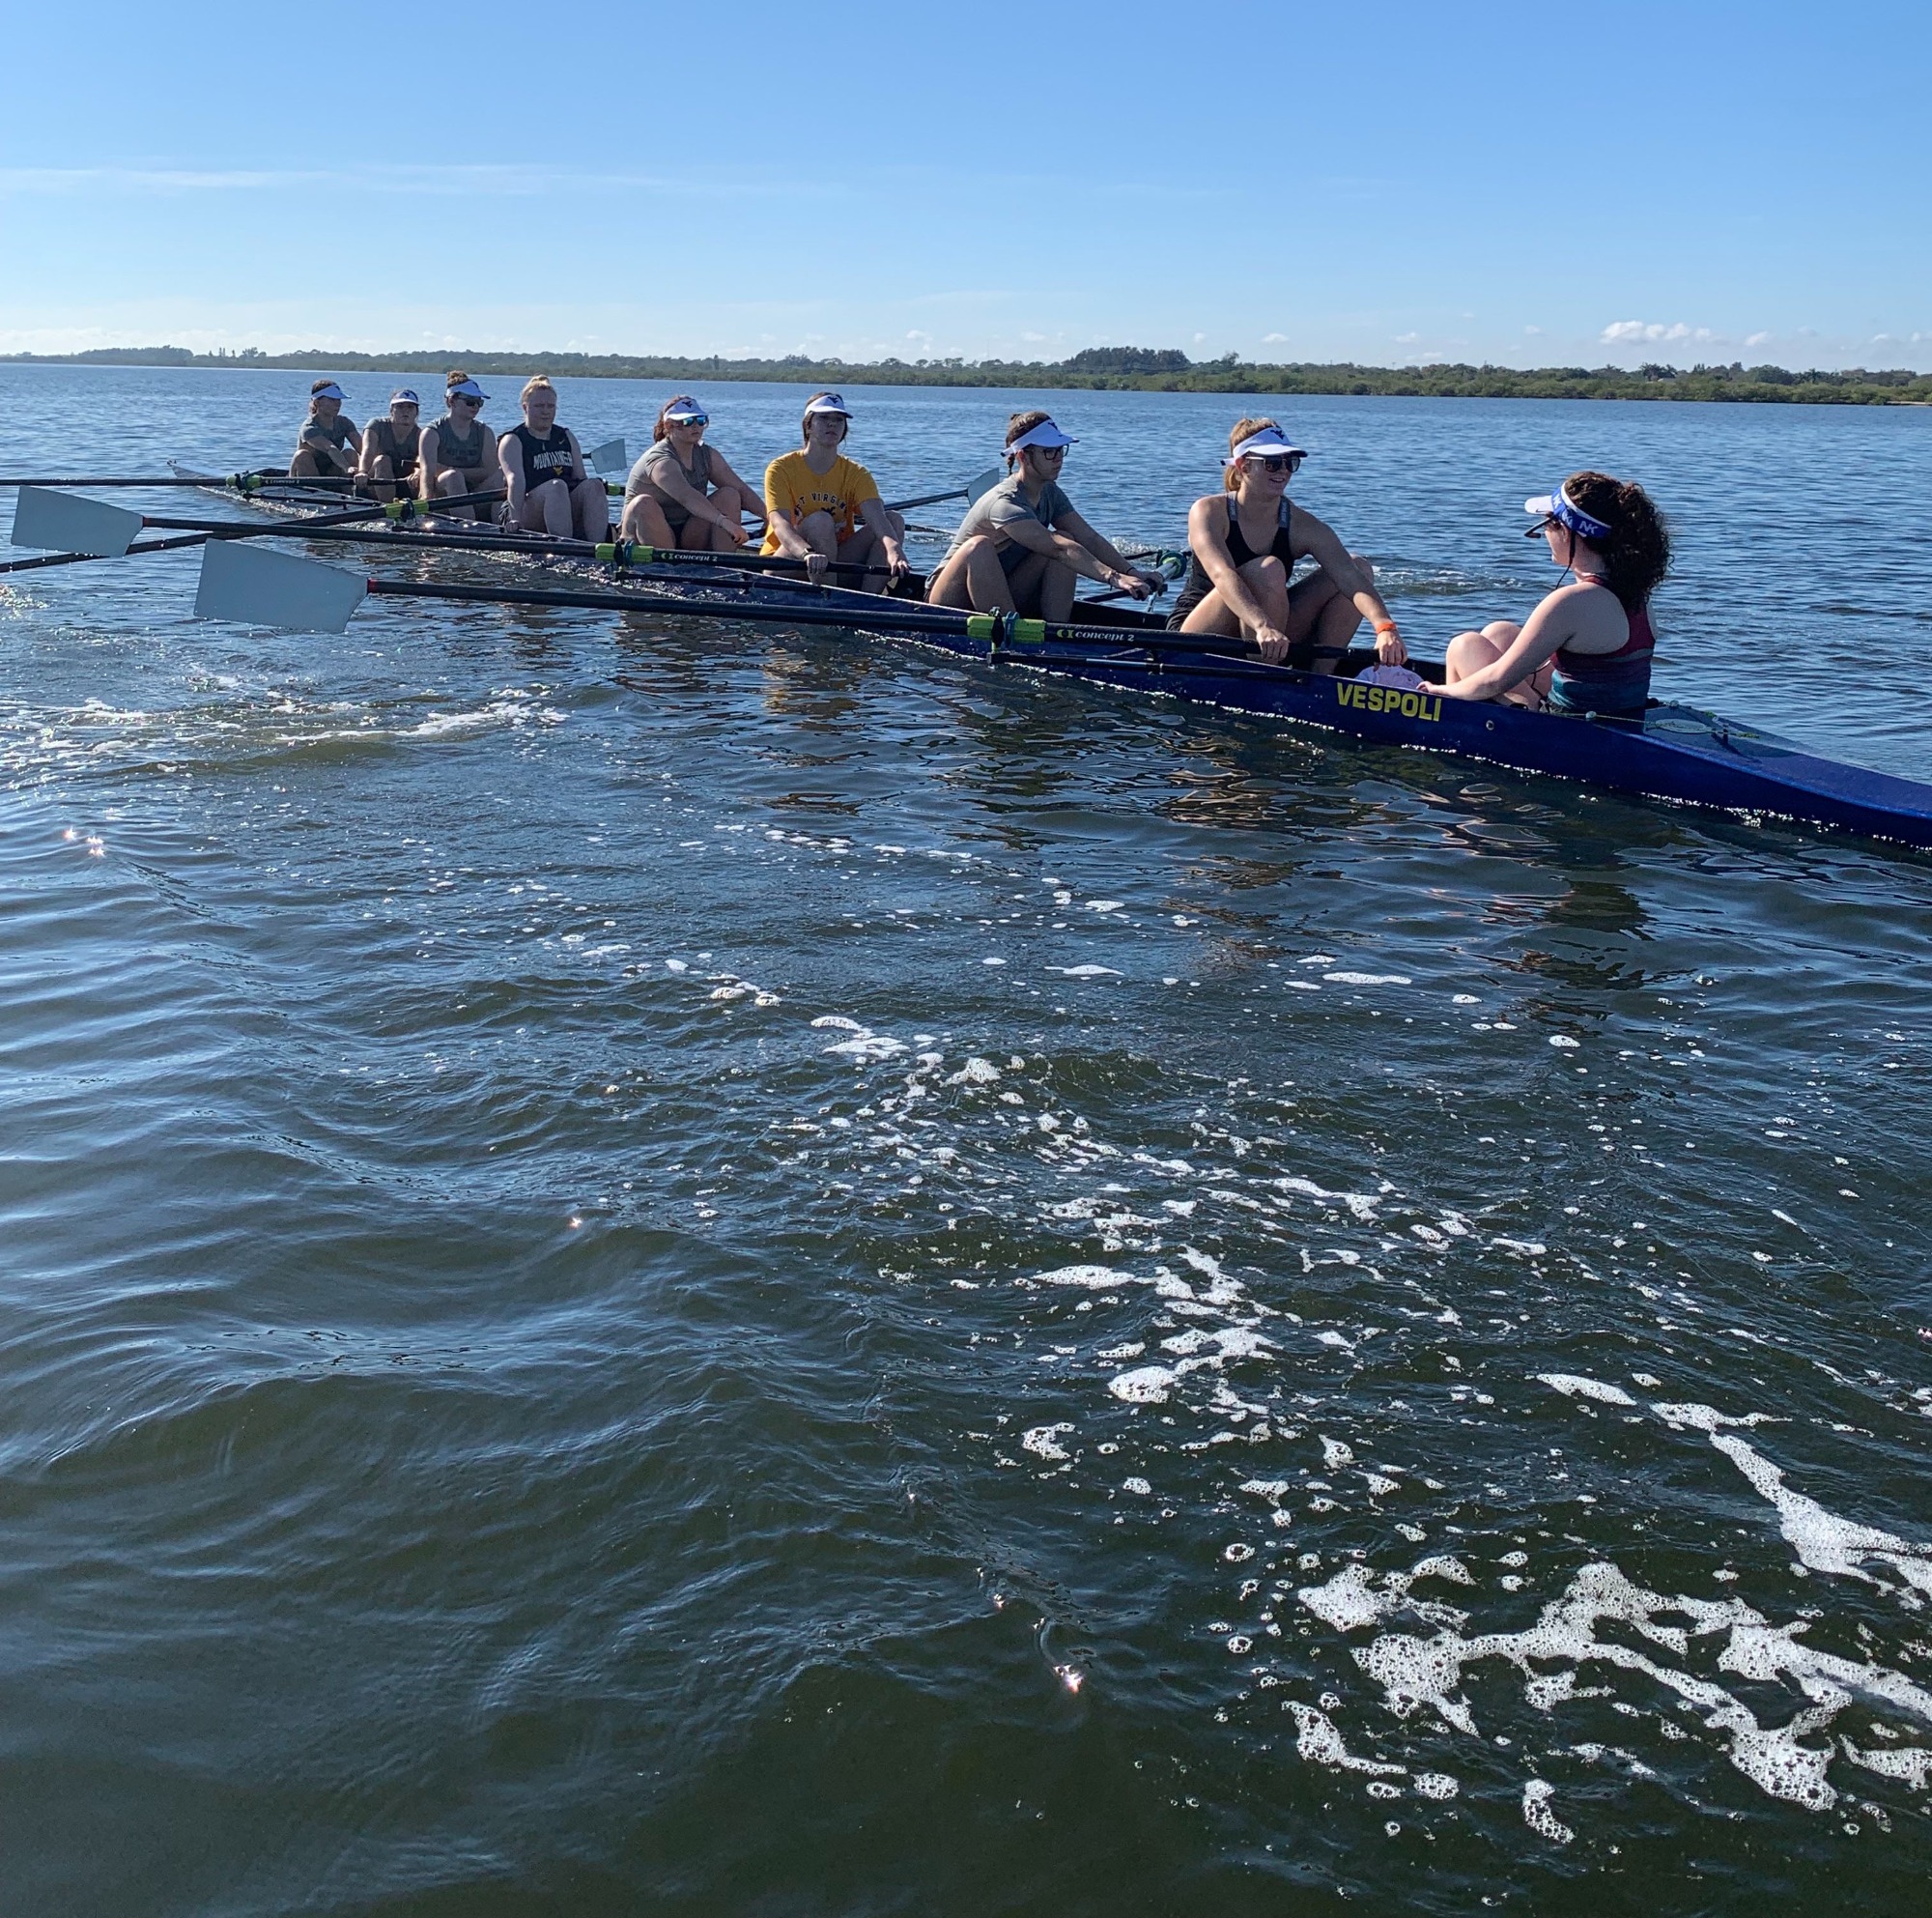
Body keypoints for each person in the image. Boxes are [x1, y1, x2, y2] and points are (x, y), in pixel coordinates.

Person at [1167, 419, 1406, 672]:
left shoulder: (1303, 525)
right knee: (1267, 569)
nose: (1283, 471)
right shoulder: (1209, 511)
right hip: (1197, 631)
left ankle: (1319, 678)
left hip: (1267, 633)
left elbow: (1349, 577)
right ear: (1243, 465)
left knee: (1359, 567)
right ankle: (1266, 673)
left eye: (1290, 462)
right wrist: (1261, 625)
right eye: (1272, 463)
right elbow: (1222, 574)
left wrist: (1385, 627)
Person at [1438, 472, 1669, 716]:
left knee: (1463, 646)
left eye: (1547, 523)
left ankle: (1451, 730)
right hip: (1622, 712)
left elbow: (1495, 680)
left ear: (1567, 532)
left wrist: (1439, 691)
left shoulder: (1570, 602)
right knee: (1500, 634)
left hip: (1573, 727)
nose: (1545, 533)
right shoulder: (1637, 592)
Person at [926, 411, 1165, 620]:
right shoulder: (1003, 501)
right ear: (1023, 456)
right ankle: (1016, 633)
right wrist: (1114, 579)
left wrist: (1132, 573)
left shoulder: (1049, 492)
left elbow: (1088, 538)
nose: (1058, 459)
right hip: (949, 599)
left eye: (1060, 450)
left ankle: (1057, 631)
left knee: (1066, 535)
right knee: (980, 546)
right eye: (1049, 452)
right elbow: (1057, 548)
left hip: (1003, 591)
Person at [761, 392, 907, 586]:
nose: (832, 424)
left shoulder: (856, 473)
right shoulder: (780, 468)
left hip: (835, 561)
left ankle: (868, 601)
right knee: (820, 521)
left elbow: (876, 516)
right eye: (823, 418)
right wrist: (807, 553)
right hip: (787, 562)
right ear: (808, 425)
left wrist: (893, 548)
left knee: (893, 520)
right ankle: (828, 596)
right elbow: (780, 524)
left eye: (838, 420)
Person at [620, 395, 764, 550]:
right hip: (650, 533)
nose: (696, 426)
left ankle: (725, 564)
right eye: (687, 421)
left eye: (700, 420)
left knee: (730, 494)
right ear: (669, 425)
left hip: (689, 533)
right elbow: (688, 497)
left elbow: (741, 488)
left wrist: (771, 517)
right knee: (642, 503)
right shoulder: (660, 460)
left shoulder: (707, 455)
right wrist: (726, 523)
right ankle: (665, 567)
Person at [498, 376, 610, 542]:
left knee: (594, 485)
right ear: (525, 407)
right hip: (524, 508)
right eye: (539, 406)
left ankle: (599, 548)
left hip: (561, 505)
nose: (546, 411)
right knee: (556, 487)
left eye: (550, 406)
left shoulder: (566, 436)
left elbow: (580, 478)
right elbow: (515, 481)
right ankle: (566, 547)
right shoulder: (513, 440)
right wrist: (515, 519)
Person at [418, 373, 497, 521]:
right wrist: (426, 499)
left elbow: (489, 471)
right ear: (452, 402)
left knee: (501, 475)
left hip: (474, 494)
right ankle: (469, 529)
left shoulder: (485, 432)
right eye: (470, 402)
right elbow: (427, 472)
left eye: (479, 402)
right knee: (453, 477)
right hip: (441, 497)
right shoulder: (432, 432)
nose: (475, 407)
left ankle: (504, 528)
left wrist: (449, 468)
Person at [290, 380, 360, 483]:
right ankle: (312, 493)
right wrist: (346, 468)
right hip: (308, 472)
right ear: (317, 402)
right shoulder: (309, 427)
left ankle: (351, 494)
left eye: (339, 399)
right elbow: (329, 448)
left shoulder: (344, 423)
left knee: (350, 453)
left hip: (331, 471)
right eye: (332, 399)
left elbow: (363, 448)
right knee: (302, 455)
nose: (338, 404)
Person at [357, 388, 421, 501]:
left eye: (410, 407)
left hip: (405, 484)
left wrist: (417, 473)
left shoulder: (421, 435)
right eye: (400, 407)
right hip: (374, 482)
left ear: (416, 412)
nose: (405, 411)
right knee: (383, 460)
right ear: (391, 410)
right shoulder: (376, 425)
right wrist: (362, 472)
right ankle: (389, 507)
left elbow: (422, 459)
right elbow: (368, 450)